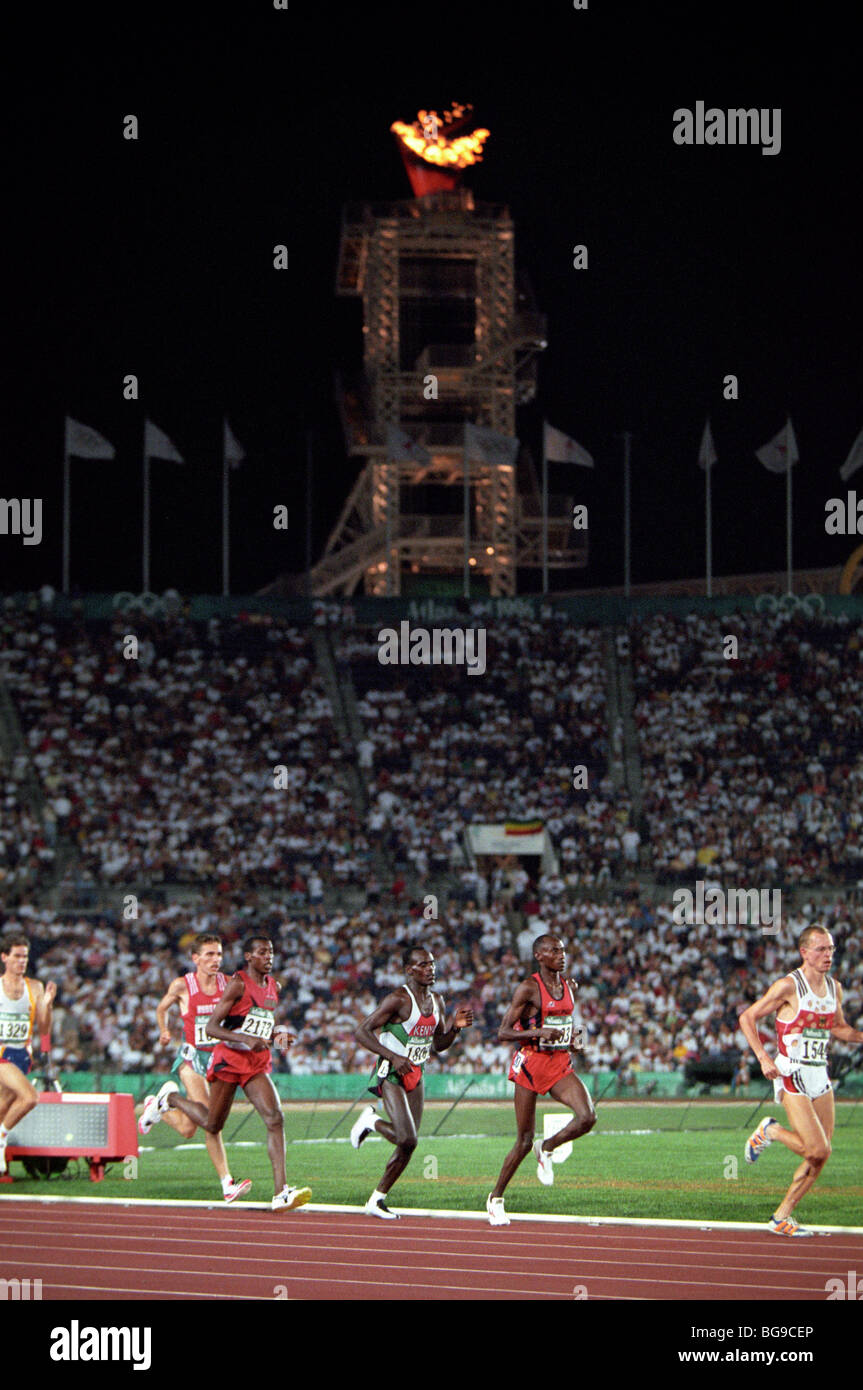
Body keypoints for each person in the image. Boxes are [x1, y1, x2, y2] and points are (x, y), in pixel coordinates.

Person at [143, 936, 311, 1213]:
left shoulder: (273, 986)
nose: (268, 957)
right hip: (228, 1061)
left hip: (255, 1063)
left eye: (271, 952)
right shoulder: (237, 983)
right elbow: (211, 1028)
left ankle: (281, 1192)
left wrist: (280, 1038)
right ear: (249, 956)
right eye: (262, 952)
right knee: (211, 1124)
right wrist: (244, 1038)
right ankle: (170, 1099)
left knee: (275, 1117)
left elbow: (264, 1026)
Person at [739, 924, 863, 1236]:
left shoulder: (834, 988)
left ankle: (782, 1216)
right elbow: (747, 1017)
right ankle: (772, 1130)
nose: (828, 955)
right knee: (818, 1150)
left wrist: (859, 1036)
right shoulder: (788, 986)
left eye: (831, 949)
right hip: (790, 1071)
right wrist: (764, 1057)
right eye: (821, 949)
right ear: (804, 952)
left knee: (821, 1155)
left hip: (819, 1073)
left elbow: (838, 1027)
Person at [351, 945, 473, 1219]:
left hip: (416, 1072)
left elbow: (438, 1045)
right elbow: (361, 1031)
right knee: (407, 1137)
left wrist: (455, 1028)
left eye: (432, 964)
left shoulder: (438, 1001)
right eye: (423, 965)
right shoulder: (398, 999)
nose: (431, 969)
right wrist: (393, 1056)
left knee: (408, 1144)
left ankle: (377, 1200)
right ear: (409, 970)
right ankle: (370, 1121)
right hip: (390, 1071)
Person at [487, 934, 595, 1226]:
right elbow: (503, 1032)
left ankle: (547, 1147)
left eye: (562, 949)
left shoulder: (570, 986)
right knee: (523, 1140)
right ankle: (495, 1198)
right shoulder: (528, 988)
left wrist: (573, 1041)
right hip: (531, 1063)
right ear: (539, 956)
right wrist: (536, 1033)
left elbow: (567, 1024)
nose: (561, 955)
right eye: (553, 950)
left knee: (587, 1117)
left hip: (559, 1062)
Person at [139, 933, 251, 1203]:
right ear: (195, 958)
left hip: (218, 1061)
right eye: (210, 954)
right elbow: (161, 1008)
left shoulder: (228, 984)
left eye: (219, 954)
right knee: (212, 1123)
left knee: (189, 1130)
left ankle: (160, 1102)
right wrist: (164, 1029)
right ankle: (227, 1183)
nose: (216, 960)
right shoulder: (182, 985)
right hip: (192, 1060)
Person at [0, 933, 56, 1174]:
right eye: (17, 956)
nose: (22, 961)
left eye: (25, 956)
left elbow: (43, 1027)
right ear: (4, 957)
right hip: (1, 1054)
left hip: (22, 1055)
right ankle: (1, 1140)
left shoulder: (35, 987)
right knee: (30, 1097)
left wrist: (49, 1003)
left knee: (2, 1109)